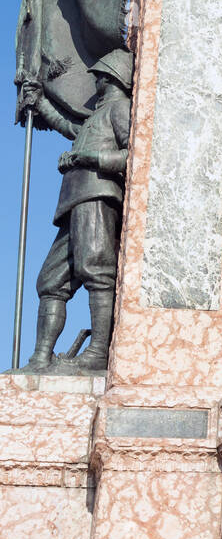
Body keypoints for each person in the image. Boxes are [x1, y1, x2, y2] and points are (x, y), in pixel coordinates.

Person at [25, 48, 133, 372]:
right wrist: (39, 101)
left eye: (99, 75)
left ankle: (99, 350)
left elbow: (134, 153)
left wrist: (91, 159)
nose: (95, 80)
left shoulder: (120, 109)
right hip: (74, 203)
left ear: (110, 77)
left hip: (96, 196)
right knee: (49, 281)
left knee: (95, 270)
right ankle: (40, 357)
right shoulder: (95, 117)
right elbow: (67, 126)